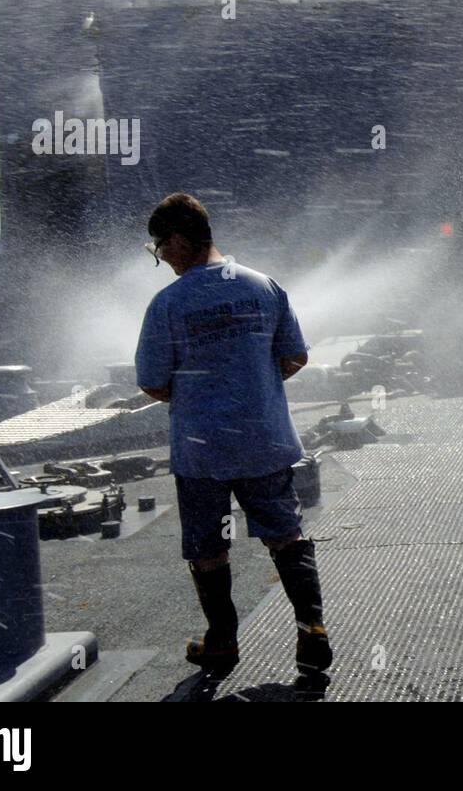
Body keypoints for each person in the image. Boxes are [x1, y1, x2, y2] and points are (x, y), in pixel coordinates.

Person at [134, 193, 330, 679]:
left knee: (208, 547)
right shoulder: (264, 286)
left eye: (161, 247)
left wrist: (206, 393)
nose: (162, 258)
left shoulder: (168, 304)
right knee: (286, 536)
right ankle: (312, 633)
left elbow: (154, 382)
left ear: (180, 241)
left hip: (202, 451)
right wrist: (252, 385)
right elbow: (296, 356)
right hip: (265, 441)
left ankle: (221, 643)